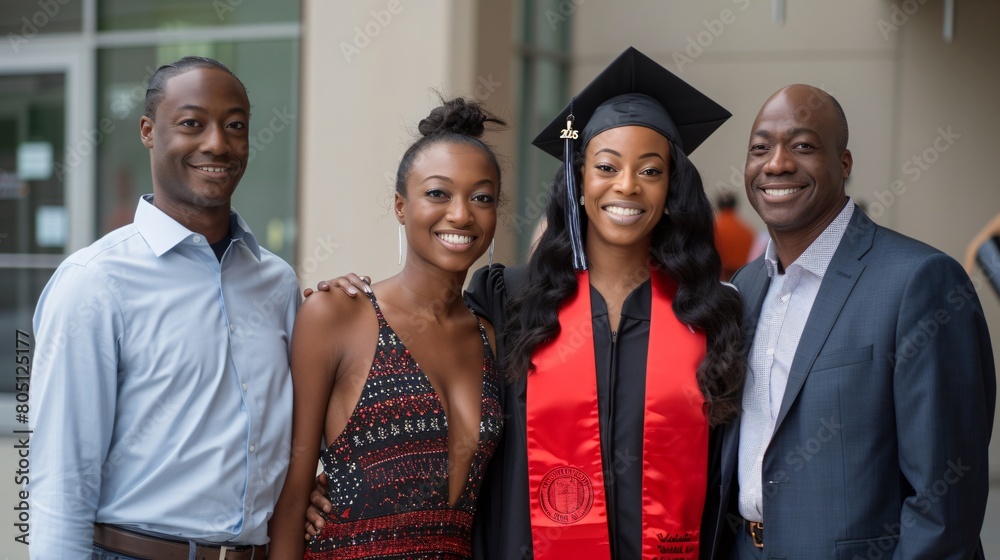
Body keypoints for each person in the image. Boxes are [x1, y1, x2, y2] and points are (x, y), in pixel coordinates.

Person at [308, 47, 745, 560]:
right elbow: (429, 373)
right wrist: (340, 478)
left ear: (671, 187)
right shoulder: (509, 299)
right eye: (606, 166)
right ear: (579, 180)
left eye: (650, 170)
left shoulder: (708, 313)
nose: (626, 185)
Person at [704, 84, 996, 559]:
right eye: (760, 148)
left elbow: (944, 505)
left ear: (844, 164)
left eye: (802, 146)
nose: (776, 163)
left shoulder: (919, 282)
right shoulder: (746, 289)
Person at [29, 56, 300, 559]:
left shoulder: (278, 284)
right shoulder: (94, 283)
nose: (217, 143)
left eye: (235, 125)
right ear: (149, 131)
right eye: (192, 123)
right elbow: (61, 480)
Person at [268, 98, 506, 559]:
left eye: (482, 197)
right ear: (401, 206)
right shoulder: (340, 314)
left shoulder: (490, 338)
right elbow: (292, 496)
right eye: (438, 193)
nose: (460, 214)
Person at [713, 191, 756, 280]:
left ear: (718, 205)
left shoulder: (714, 229)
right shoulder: (747, 231)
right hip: (742, 276)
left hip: (720, 278)